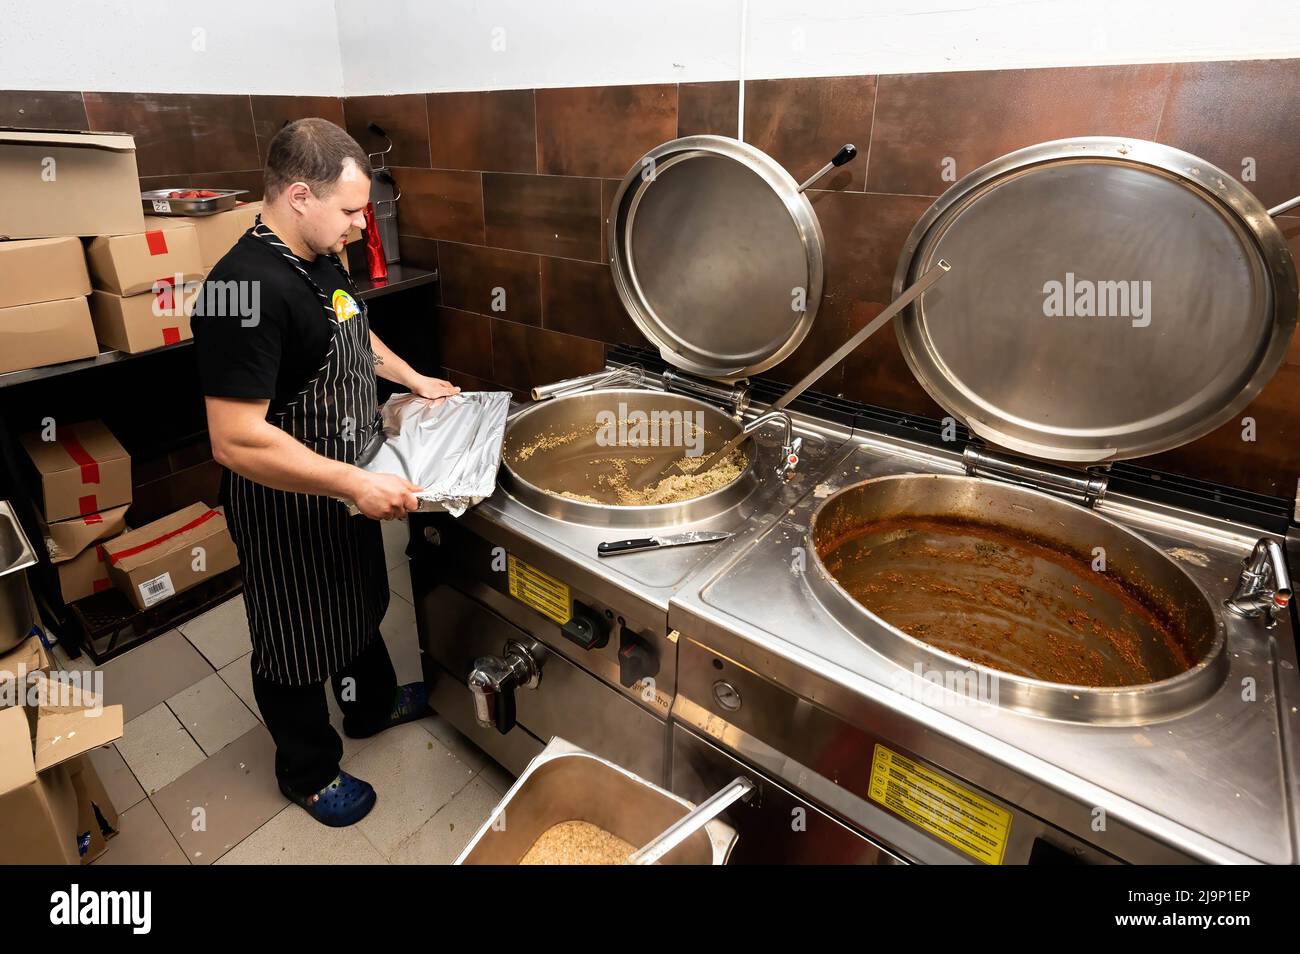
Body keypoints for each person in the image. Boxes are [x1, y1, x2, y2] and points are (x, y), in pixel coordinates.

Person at [191, 118, 459, 826]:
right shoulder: (238, 290)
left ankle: (369, 708)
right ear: (300, 195)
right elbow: (235, 440)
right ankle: (306, 771)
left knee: (358, 604)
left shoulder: (317, 253)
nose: (356, 226)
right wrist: (355, 485)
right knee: (292, 641)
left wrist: (413, 377)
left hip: (346, 487)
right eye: (347, 212)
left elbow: (350, 327)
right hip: (285, 507)